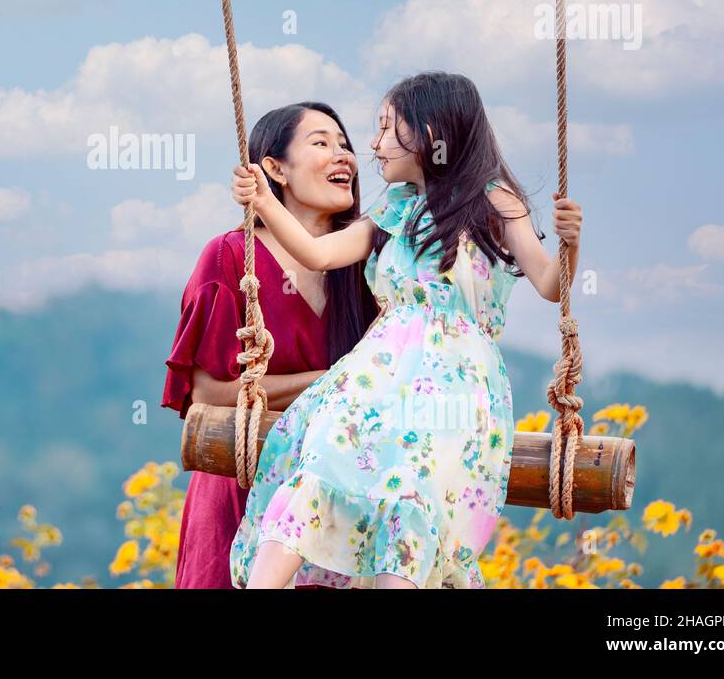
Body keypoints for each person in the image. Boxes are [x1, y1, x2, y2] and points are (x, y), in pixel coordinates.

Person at [228, 71, 584, 589]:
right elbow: (320, 253)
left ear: (429, 133)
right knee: (326, 459)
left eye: (387, 127)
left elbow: (552, 284)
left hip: (456, 384)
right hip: (379, 374)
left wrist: (572, 245)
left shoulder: (495, 202)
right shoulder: (393, 211)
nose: (372, 144)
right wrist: (263, 203)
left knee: (414, 492)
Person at [162, 102, 380, 589]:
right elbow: (207, 393)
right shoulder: (231, 256)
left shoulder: (368, 267)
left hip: (333, 495)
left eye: (345, 144)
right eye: (321, 143)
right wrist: (327, 383)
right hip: (239, 488)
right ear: (274, 169)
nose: (343, 155)